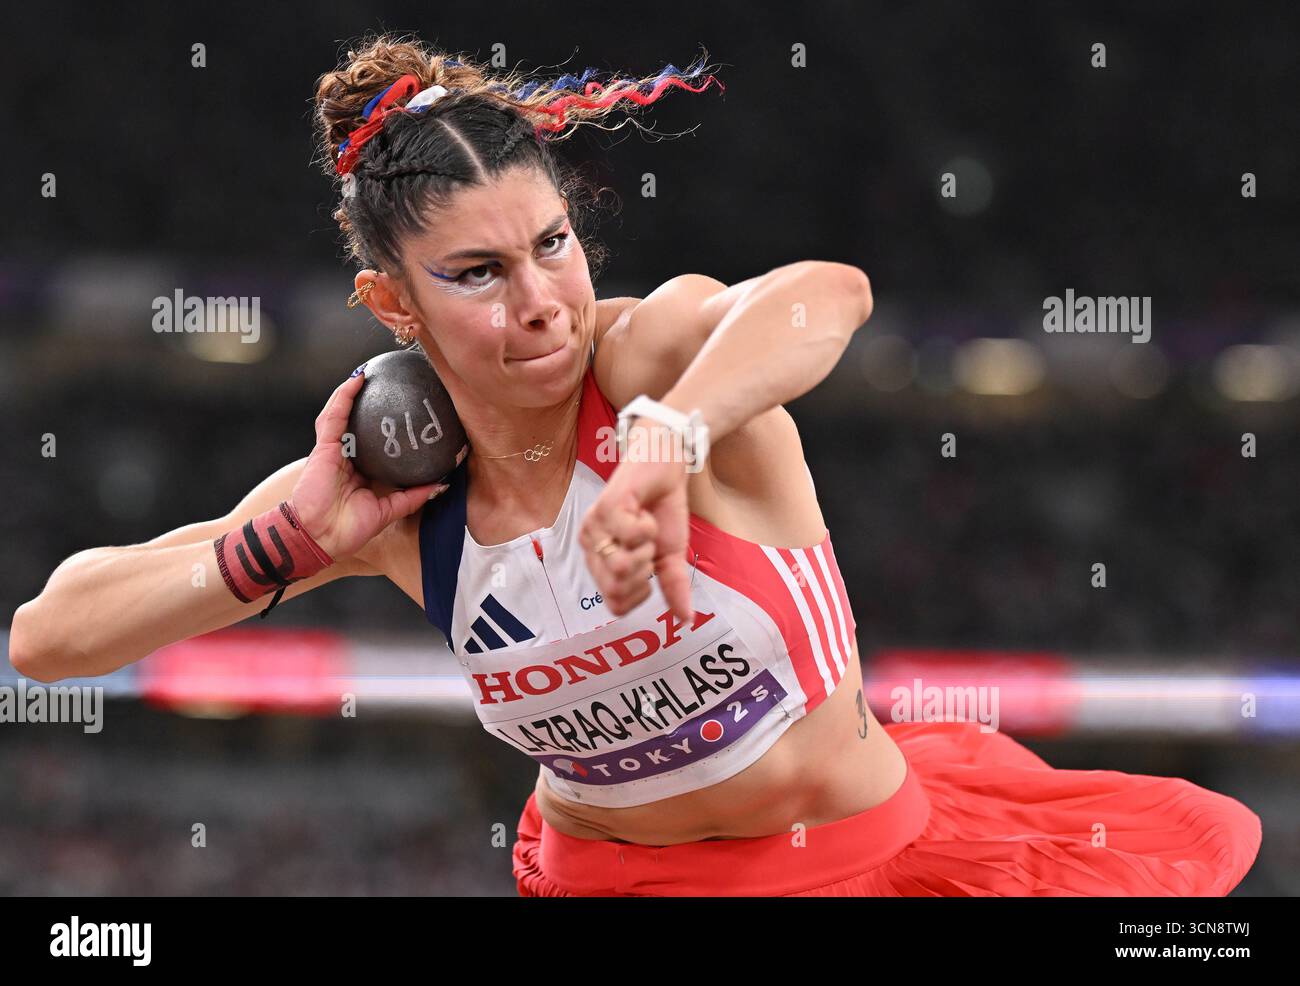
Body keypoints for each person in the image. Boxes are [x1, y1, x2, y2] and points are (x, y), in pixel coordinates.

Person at [11, 34, 1261, 897]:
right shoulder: (394, 489)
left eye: (551, 243)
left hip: (854, 861)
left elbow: (822, 296)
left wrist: (670, 440)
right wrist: (277, 546)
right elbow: (49, 639)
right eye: (479, 274)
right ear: (390, 301)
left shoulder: (652, 361)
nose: (546, 299)